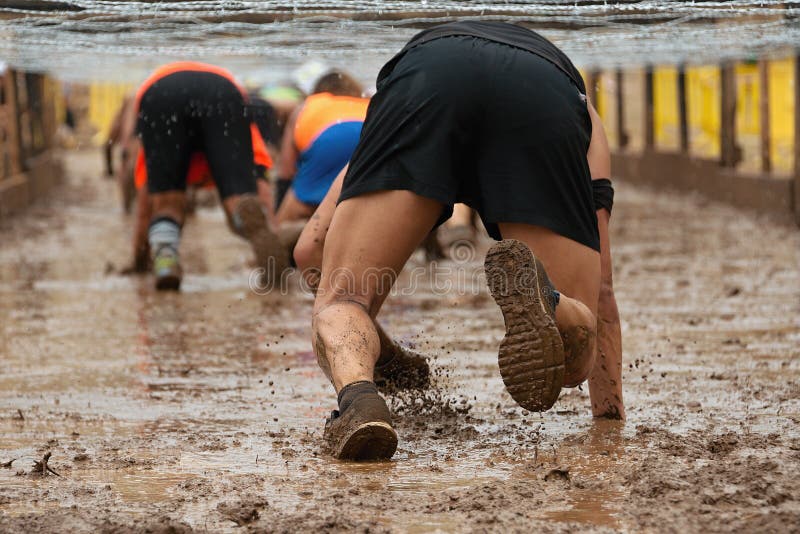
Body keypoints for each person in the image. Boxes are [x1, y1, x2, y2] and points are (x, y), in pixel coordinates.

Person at [293, 21, 623, 461]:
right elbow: (603, 287)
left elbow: (308, 250)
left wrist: (358, 323)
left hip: (425, 80)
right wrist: (610, 427)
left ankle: (360, 402)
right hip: (541, 94)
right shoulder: (581, 107)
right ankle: (551, 302)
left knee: (343, 301)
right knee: (572, 358)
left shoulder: (426, 68)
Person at [129, 61, 288, 290]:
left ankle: (165, 259)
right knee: (241, 202)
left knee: (166, 205)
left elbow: (145, 205)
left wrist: (138, 262)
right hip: (224, 90)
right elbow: (259, 181)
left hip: (161, 92)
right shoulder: (222, 83)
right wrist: (269, 231)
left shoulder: (159, 87)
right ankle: (254, 231)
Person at [273, 70, 369, 225]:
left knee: (284, 227)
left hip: (328, 142)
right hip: (369, 139)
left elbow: (286, 171)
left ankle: (290, 232)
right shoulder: (368, 104)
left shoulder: (308, 106)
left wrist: (279, 214)